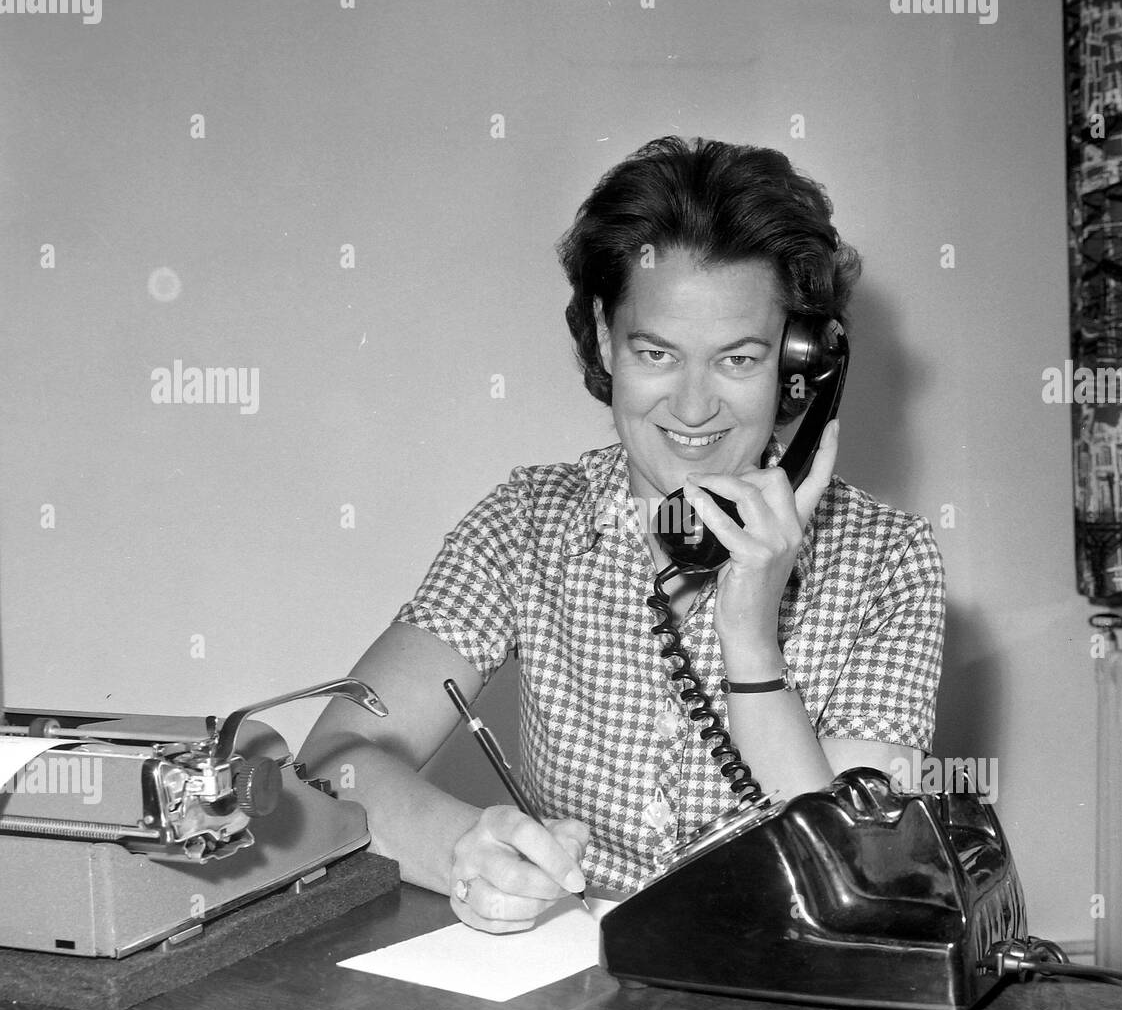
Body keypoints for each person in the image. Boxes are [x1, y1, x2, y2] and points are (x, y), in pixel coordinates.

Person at [299, 136, 945, 933]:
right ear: (606, 338)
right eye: (656, 353)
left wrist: (751, 642)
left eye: (738, 359)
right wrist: (466, 850)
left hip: (790, 995)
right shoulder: (526, 524)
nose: (694, 405)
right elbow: (332, 760)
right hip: (580, 991)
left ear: (800, 362)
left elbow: (856, 884)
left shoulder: (889, 561)